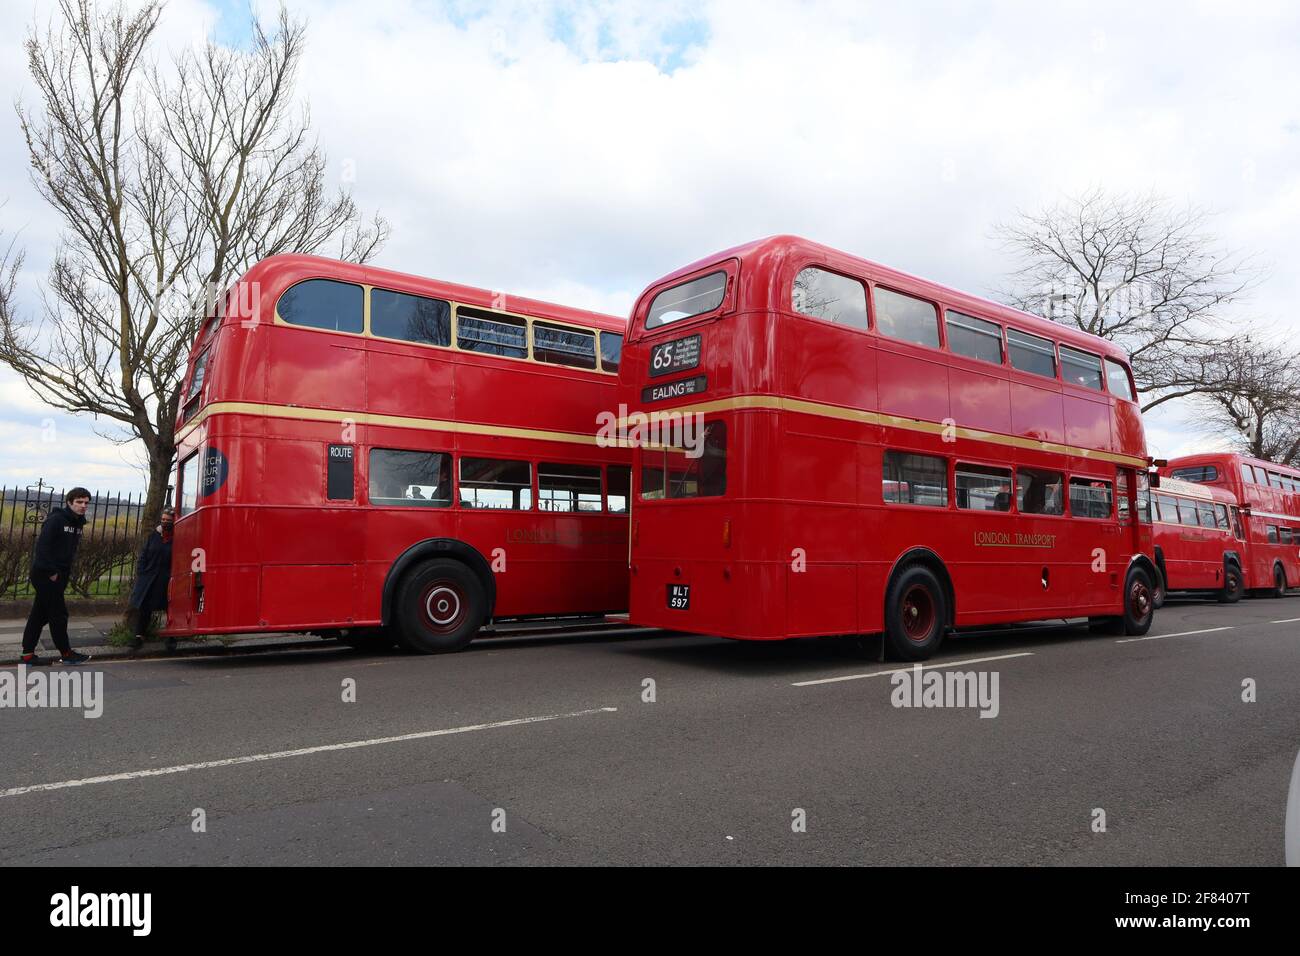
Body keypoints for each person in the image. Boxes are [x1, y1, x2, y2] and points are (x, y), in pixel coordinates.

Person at [21, 487, 93, 666]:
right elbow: (42, 548)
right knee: (59, 615)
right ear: (69, 502)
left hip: (59, 575)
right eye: (79, 502)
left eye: (86, 503)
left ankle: (27, 656)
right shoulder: (56, 520)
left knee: (39, 615)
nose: (83, 506)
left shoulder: (78, 523)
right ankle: (67, 654)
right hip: (46, 574)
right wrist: (52, 572)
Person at [127, 506, 174, 650]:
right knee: (144, 608)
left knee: (171, 608)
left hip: (167, 578)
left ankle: (171, 636)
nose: (165, 522)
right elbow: (144, 554)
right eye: (163, 519)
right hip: (150, 578)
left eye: (168, 520)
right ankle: (139, 636)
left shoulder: (179, 536)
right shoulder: (154, 535)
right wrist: (141, 572)